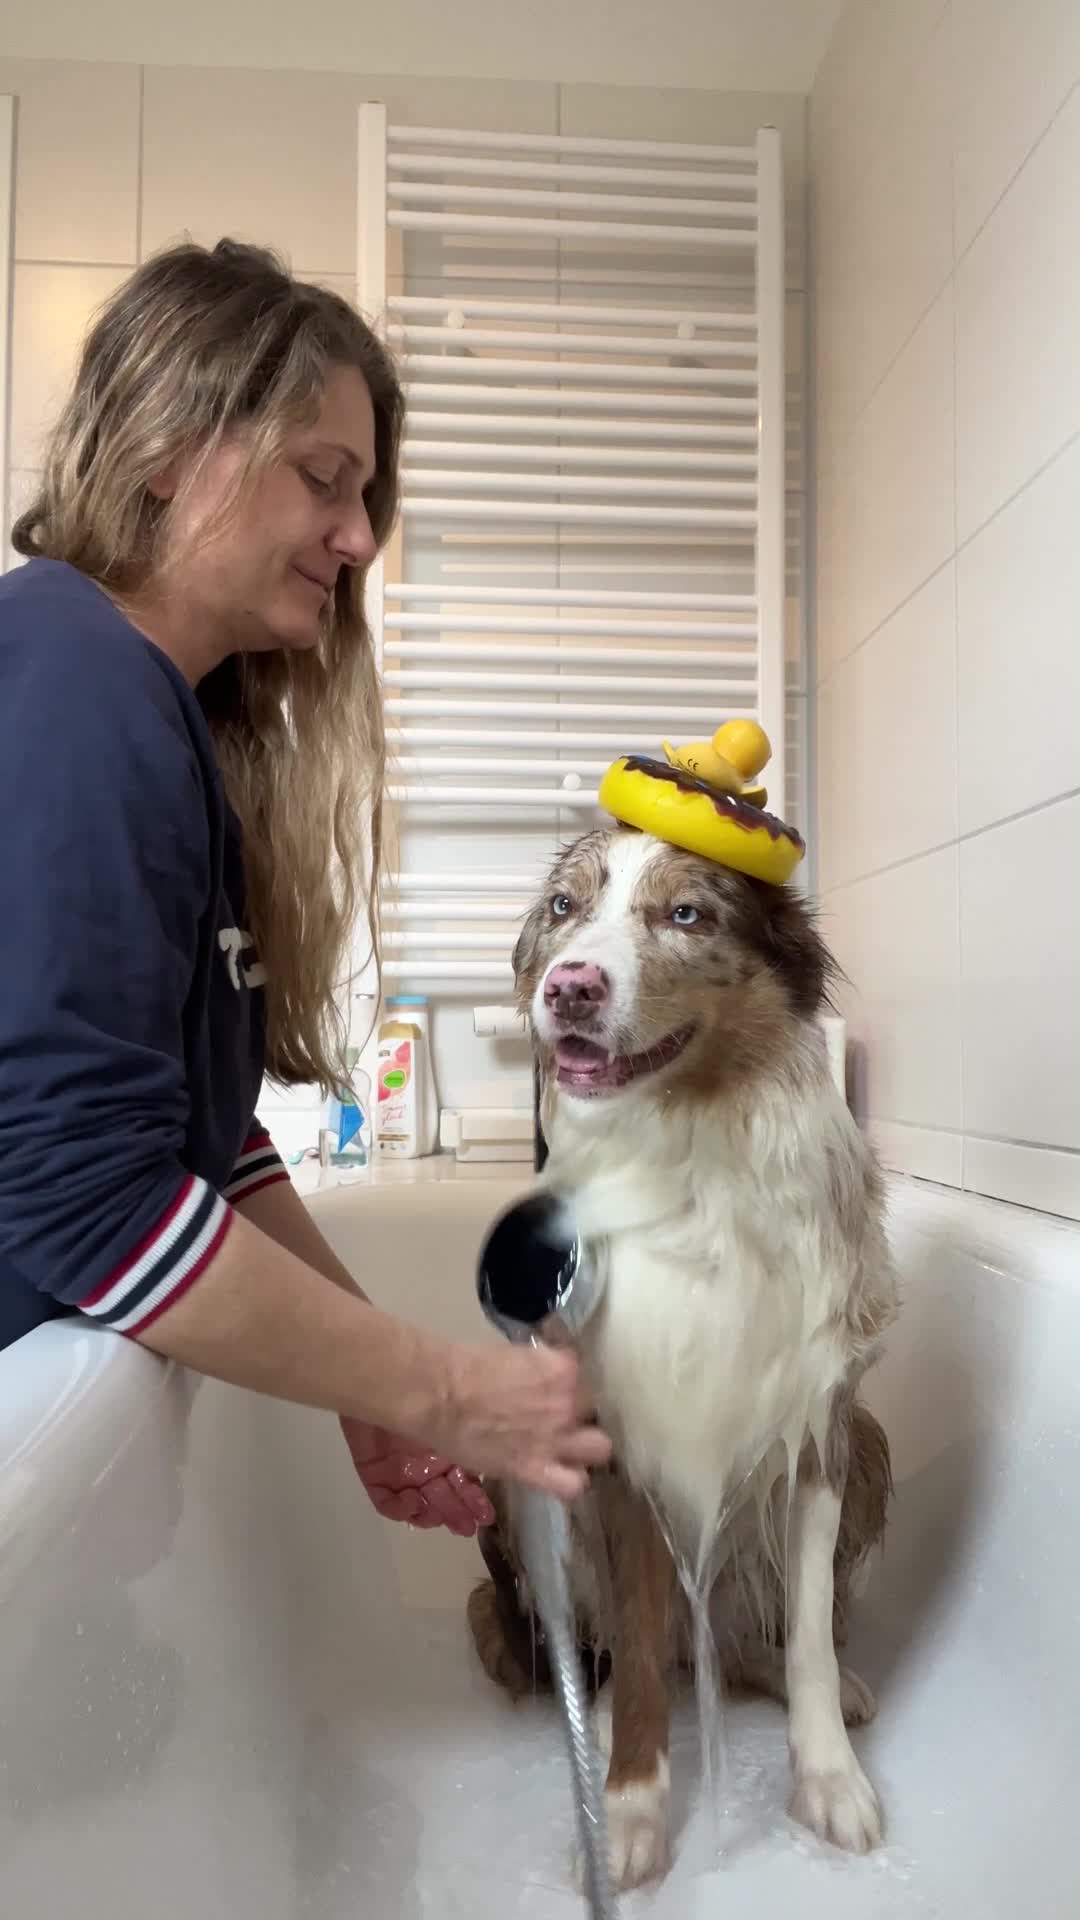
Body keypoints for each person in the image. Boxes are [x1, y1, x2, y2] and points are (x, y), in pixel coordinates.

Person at [0, 238, 610, 1535]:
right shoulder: (73, 679)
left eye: (367, 495)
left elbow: (203, 1142)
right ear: (169, 452)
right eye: (324, 480)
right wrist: (451, 1389)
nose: (358, 536)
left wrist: (371, 1386)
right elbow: (75, 1189)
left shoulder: (159, 722)